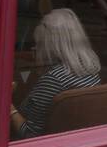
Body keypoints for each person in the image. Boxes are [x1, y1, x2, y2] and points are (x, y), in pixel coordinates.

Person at [9, 8, 101, 139]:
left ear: (51, 46)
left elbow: (30, 134)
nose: (34, 49)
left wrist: (8, 106)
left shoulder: (54, 79)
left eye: (39, 44)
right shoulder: (90, 67)